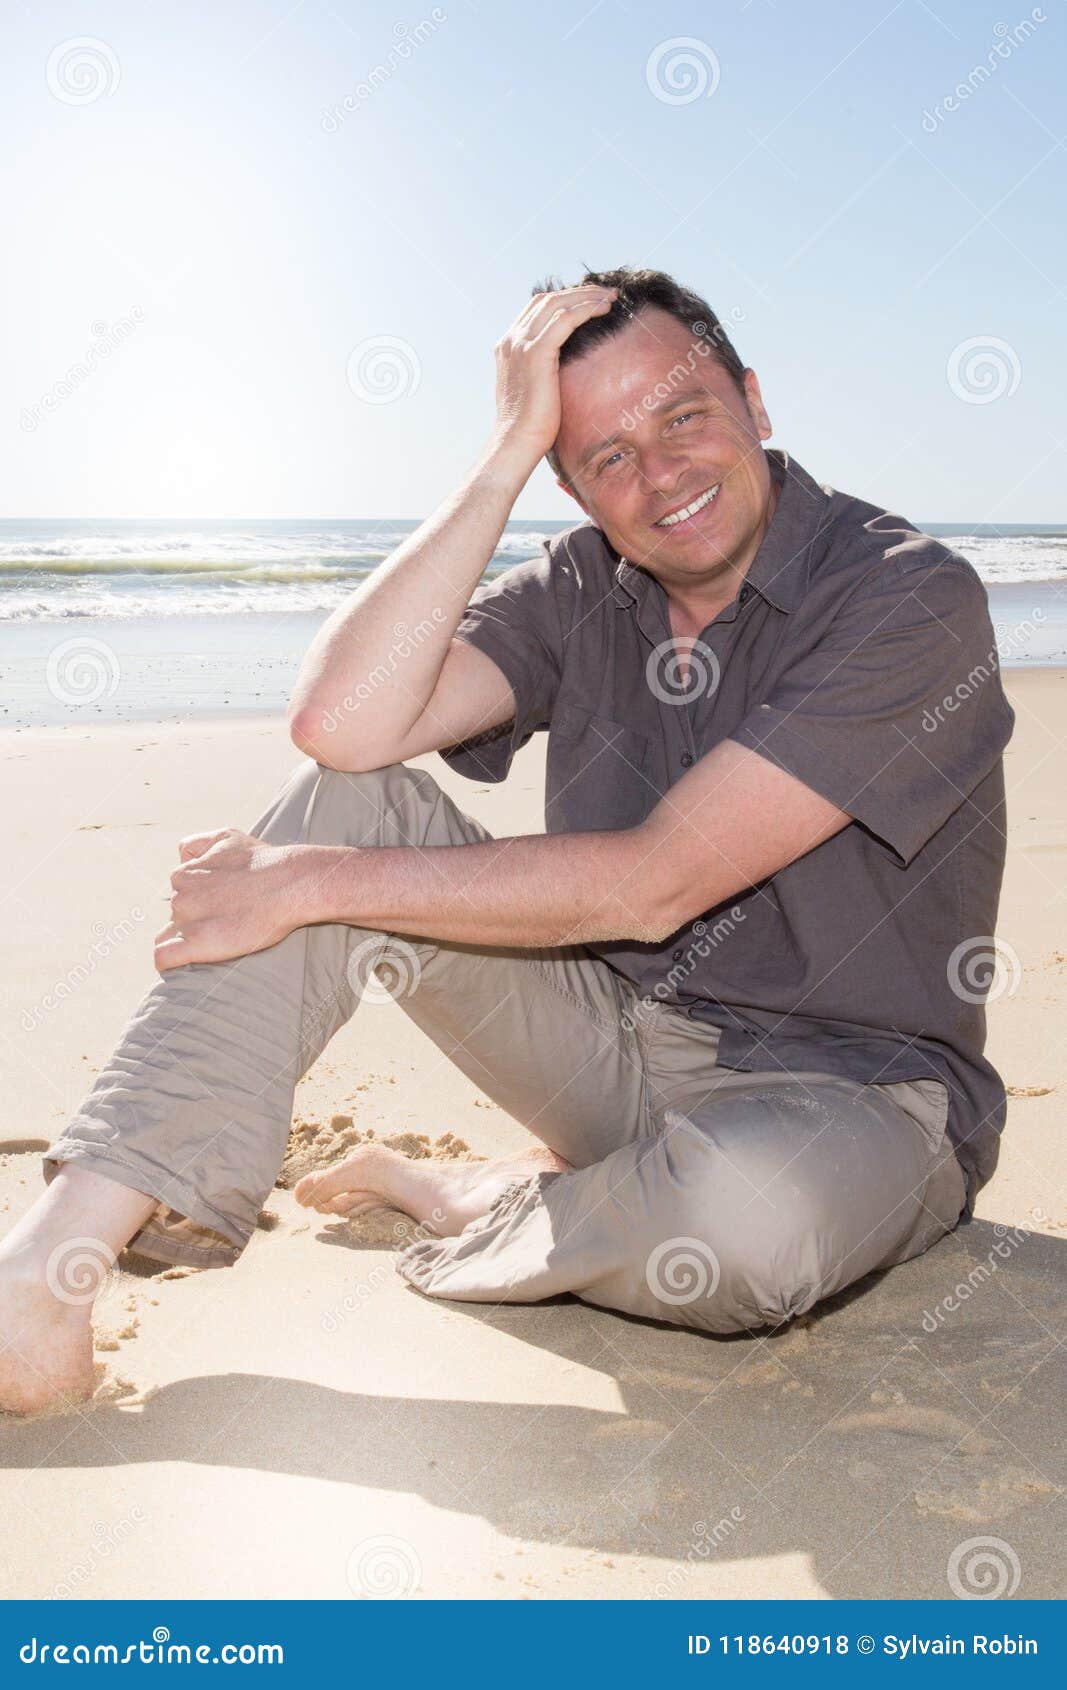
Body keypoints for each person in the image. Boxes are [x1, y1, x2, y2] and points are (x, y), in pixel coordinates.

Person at [0, 268, 1015, 1416]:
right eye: (603, 455)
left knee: (742, 1229)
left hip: (853, 1095)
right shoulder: (583, 583)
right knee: (346, 800)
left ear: (753, 400)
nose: (660, 473)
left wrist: (310, 886)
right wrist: (502, 456)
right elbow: (344, 723)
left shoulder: (904, 596)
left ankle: (483, 1197)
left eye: (683, 416)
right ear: (571, 486)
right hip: (613, 1044)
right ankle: (48, 1268)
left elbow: (655, 882)